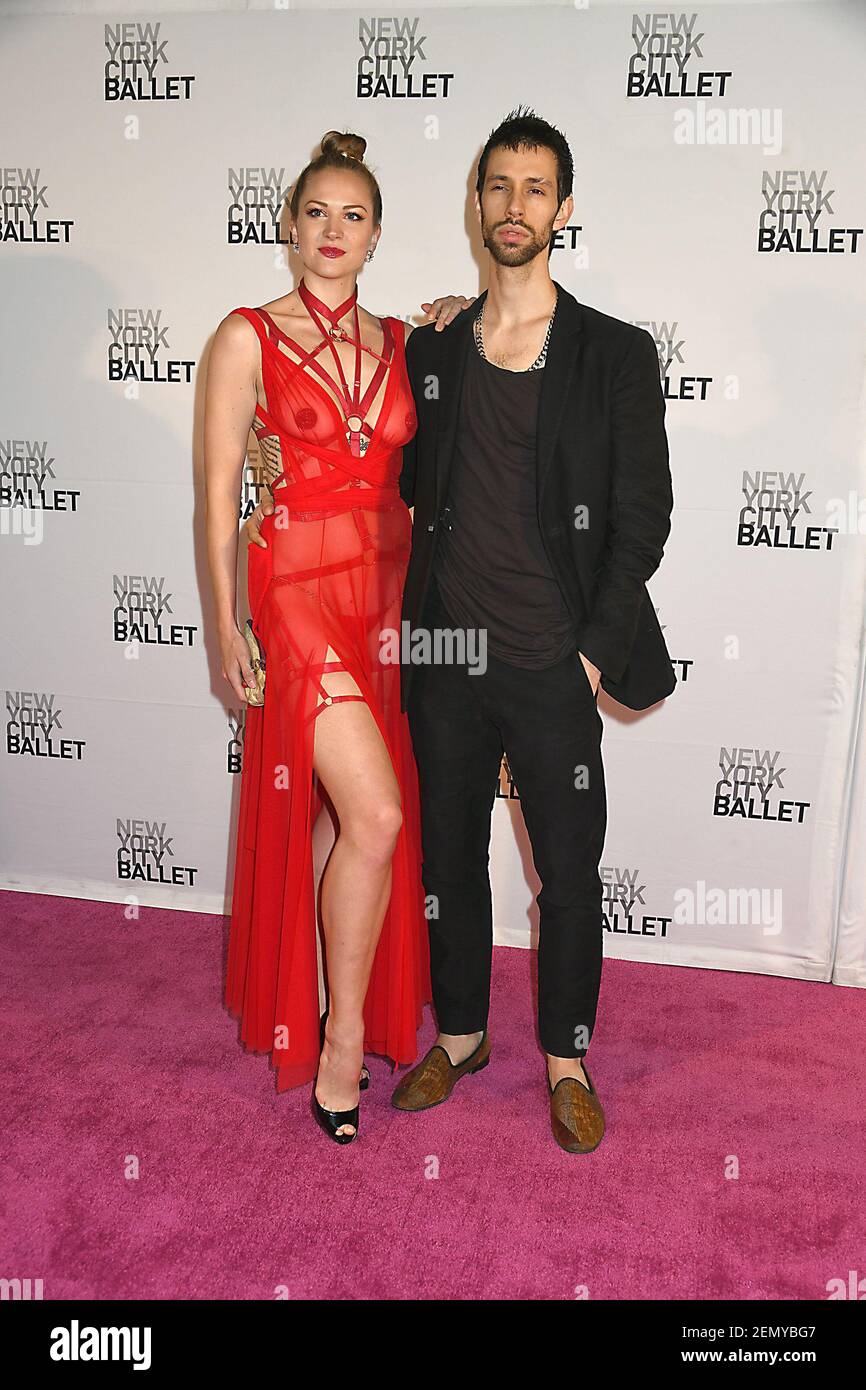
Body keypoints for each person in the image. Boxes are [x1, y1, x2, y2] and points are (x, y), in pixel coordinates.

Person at [248, 107, 676, 1154]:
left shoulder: (612, 354)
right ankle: (465, 1033)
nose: (513, 206)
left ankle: (566, 1058)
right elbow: (356, 444)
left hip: (551, 658)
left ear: (562, 209)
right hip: (441, 653)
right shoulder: (428, 345)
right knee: (445, 861)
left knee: (566, 873)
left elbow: (642, 518)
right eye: (496, 187)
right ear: (475, 204)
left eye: (534, 189)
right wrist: (265, 453)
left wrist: (586, 652)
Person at [204, 129, 471, 1144]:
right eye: (314, 211)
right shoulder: (244, 336)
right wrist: (226, 619)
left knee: (333, 817)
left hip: (385, 596)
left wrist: (453, 315)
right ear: (287, 225)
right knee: (377, 812)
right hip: (292, 591)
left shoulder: (407, 341)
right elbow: (216, 493)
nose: (331, 230)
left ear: (373, 236)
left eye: (351, 215)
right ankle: (342, 1043)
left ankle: (324, 995)